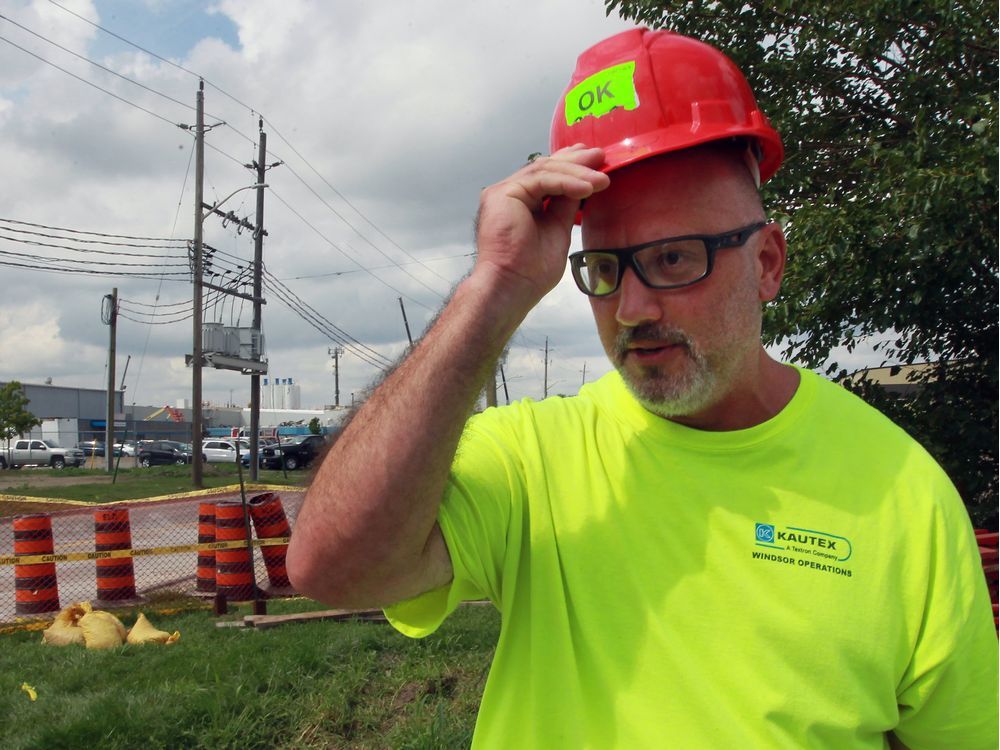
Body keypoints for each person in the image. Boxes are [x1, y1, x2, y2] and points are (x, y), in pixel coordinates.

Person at [287, 28, 998, 749]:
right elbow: (333, 569)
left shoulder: (900, 488)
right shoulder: (536, 459)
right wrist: (493, 288)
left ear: (769, 264)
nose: (632, 309)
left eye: (674, 258)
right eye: (603, 268)